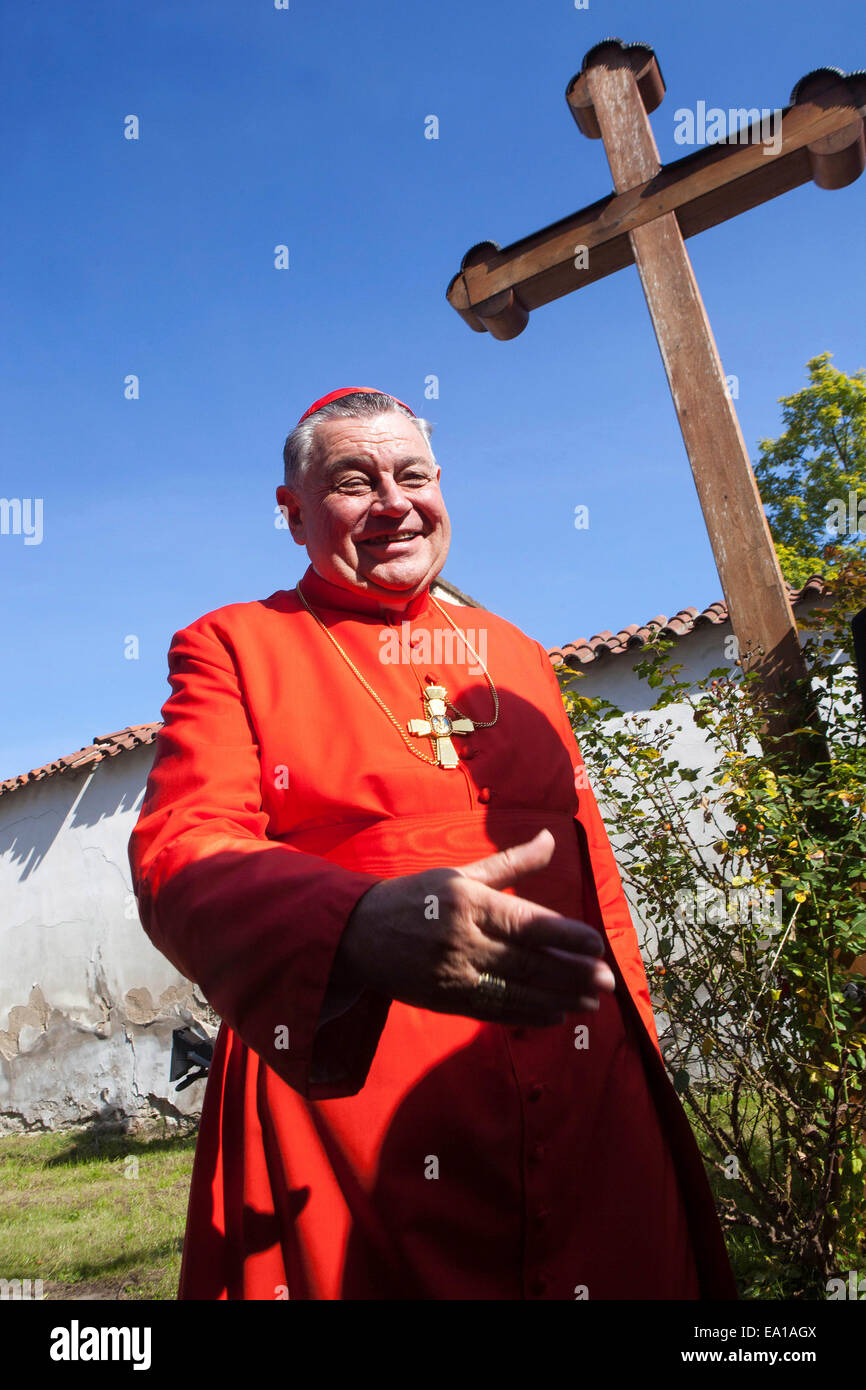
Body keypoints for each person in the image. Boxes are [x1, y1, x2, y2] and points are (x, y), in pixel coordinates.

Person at [128, 387, 737, 1301]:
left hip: (581, 1095)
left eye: (413, 475)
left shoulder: (518, 656)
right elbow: (182, 848)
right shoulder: (235, 648)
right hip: (346, 1106)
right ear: (293, 514)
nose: (393, 503)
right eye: (352, 482)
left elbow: (593, 879)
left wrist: (637, 1056)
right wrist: (355, 924)